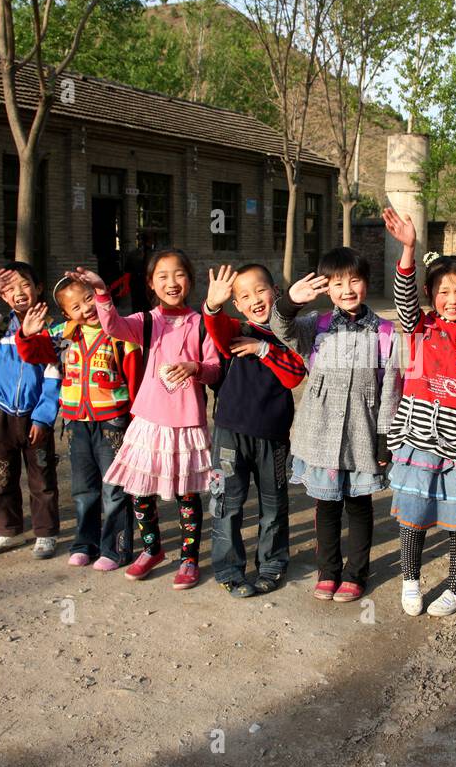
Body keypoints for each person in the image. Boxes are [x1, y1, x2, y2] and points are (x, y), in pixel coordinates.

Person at [66, 250, 221, 589]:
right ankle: (152, 549)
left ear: (190, 280)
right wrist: (101, 292)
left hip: (186, 423)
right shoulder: (146, 321)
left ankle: (189, 559)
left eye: (178, 274)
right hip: (148, 421)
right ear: (151, 283)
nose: (171, 282)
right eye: (162, 276)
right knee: (139, 491)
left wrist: (195, 368)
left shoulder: (201, 325)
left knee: (187, 495)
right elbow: (112, 326)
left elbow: (213, 370)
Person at [271, 247, 402, 603]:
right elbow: (281, 328)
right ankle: (328, 571)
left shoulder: (387, 333)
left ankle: (356, 574)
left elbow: (391, 390)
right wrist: (289, 303)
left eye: (354, 281)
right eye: (337, 283)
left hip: (362, 434)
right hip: (320, 435)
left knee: (359, 506)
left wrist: (383, 439)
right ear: (326, 288)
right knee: (326, 506)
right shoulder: (317, 326)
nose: (347, 289)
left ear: (366, 283)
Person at [382, 208, 456, 617]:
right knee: (412, 519)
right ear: (430, 295)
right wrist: (409, 248)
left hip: (455, 448)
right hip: (415, 443)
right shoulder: (419, 327)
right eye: (444, 291)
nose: (452, 299)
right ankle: (411, 582)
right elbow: (403, 299)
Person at [15, 276, 140, 570]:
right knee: (84, 489)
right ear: (66, 313)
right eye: (75, 306)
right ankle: (85, 543)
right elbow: (32, 353)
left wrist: (135, 420)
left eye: (89, 299)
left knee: (115, 488)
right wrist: (27, 334)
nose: (85, 308)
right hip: (76, 423)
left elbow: (134, 379)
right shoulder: (62, 334)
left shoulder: (121, 333)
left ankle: (115, 548)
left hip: (112, 422)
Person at [201, 263, 307, 597]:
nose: (254, 299)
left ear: (275, 292)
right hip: (230, 435)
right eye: (244, 296)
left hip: (273, 437)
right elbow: (215, 327)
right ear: (237, 305)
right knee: (226, 504)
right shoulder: (233, 329)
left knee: (274, 505)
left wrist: (263, 350)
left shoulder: (289, 336)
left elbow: (293, 376)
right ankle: (229, 569)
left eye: (260, 290)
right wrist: (212, 306)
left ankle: (272, 564)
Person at [0, 262, 62, 558]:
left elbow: (55, 375)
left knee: (42, 479)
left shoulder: (54, 329)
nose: (19, 292)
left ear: (39, 288)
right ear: (3, 296)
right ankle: (7, 530)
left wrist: (44, 417)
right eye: (10, 288)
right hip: (0, 414)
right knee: (1, 476)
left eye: (25, 284)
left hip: (35, 416)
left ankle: (45, 533)